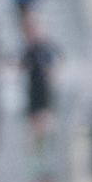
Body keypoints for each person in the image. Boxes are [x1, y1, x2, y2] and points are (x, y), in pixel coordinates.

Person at [20, 15, 62, 163]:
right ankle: (34, 148)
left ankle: (47, 144)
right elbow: (22, 65)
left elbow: (57, 60)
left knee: (45, 117)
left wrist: (51, 73)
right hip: (34, 87)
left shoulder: (47, 47)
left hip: (44, 88)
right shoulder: (30, 49)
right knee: (34, 119)